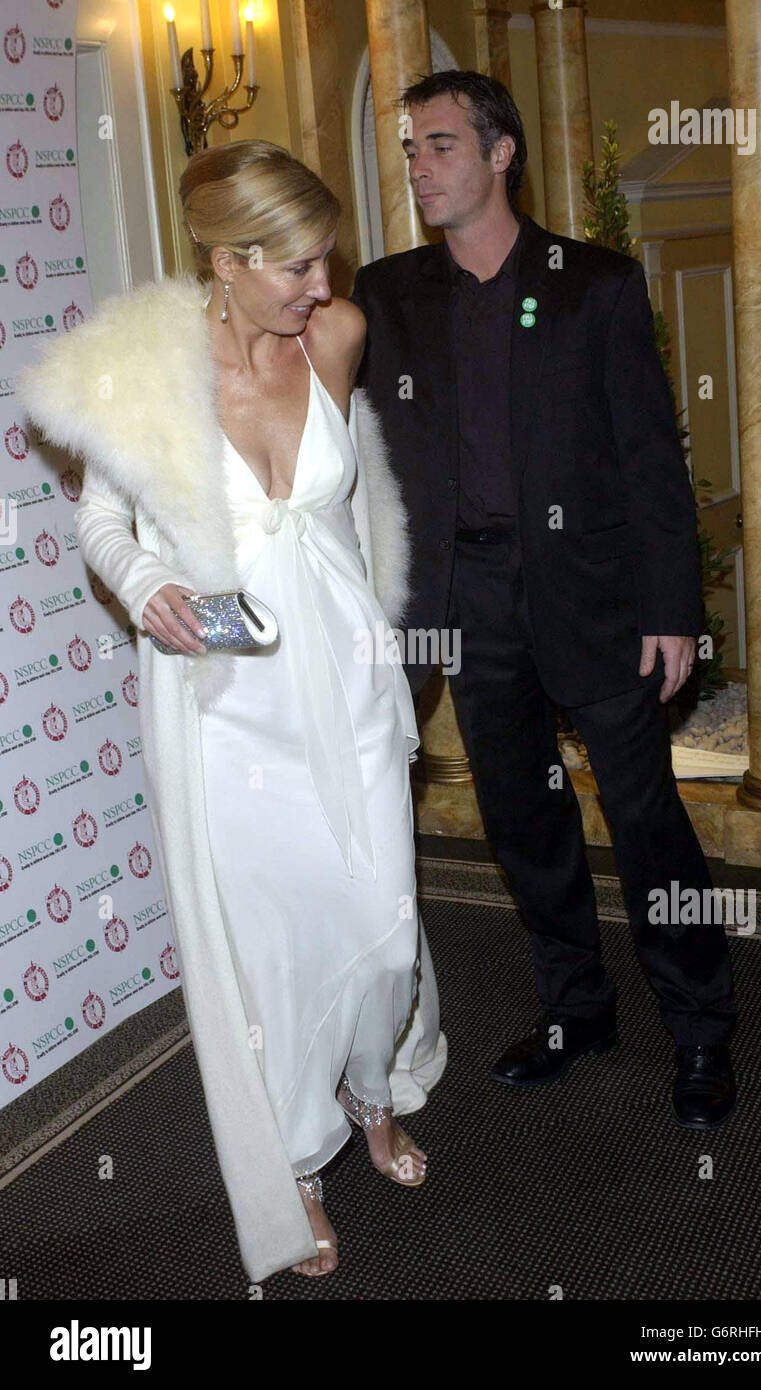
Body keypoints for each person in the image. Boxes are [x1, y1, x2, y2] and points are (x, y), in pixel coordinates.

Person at [18, 140, 447, 1280]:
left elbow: (347, 516)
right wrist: (152, 586)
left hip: (341, 672)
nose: (323, 285)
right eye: (298, 266)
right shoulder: (148, 374)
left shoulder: (338, 338)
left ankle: (371, 1091)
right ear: (225, 259)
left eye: (326, 260)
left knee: (382, 918)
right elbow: (100, 522)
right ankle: (297, 1158)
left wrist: (385, 651)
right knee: (275, 945)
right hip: (227, 700)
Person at [351, 72, 737, 1130]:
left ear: (499, 152)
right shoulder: (383, 294)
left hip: (597, 594)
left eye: (437, 144)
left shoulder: (593, 283)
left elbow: (650, 458)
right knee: (523, 820)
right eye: (409, 149)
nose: (418, 166)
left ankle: (700, 1024)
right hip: (464, 595)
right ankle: (576, 1012)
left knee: (648, 818)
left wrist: (671, 606)